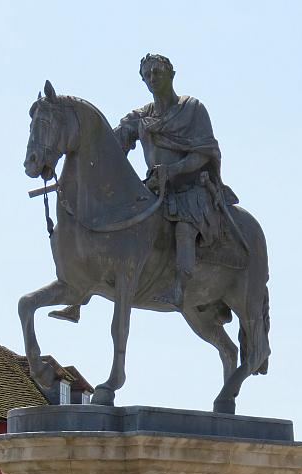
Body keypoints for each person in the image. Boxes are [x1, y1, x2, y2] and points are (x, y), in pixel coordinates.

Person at [114, 53, 238, 307]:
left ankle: (179, 287)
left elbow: (204, 153)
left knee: (184, 225)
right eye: (147, 75)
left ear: (171, 74)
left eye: (157, 72)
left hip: (191, 188)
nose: (152, 78)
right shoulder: (141, 115)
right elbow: (116, 140)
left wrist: (173, 170)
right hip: (155, 188)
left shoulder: (192, 109)